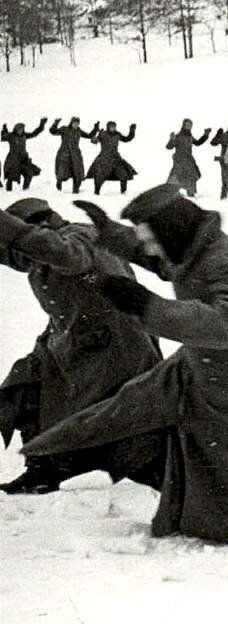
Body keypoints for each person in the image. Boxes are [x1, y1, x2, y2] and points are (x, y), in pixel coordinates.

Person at [26, 186, 228, 543]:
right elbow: (159, 258)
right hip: (213, 363)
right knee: (127, 406)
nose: (149, 246)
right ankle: (49, 448)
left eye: (151, 236)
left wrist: (146, 306)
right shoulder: (192, 248)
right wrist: (111, 234)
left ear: (171, 230)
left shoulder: (224, 261)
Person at [0, 198, 165, 495]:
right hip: (72, 340)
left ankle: (172, 477)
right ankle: (44, 469)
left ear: (39, 227)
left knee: (124, 427)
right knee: (27, 385)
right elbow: (22, 253)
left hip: (115, 348)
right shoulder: (45, 249)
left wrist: (11, 230)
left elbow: (68, 256)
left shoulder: (80, 237)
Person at [84, 121, 137, 195]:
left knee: (123, 174)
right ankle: (96, 192)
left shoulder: (118, 134)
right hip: (104, 159)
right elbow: (95, 141)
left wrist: (132, 131)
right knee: (99, 175)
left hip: (116, 159)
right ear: (108, 127)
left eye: (114, 126)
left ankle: (123, 192)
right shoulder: (103, 134)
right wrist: (95, 136)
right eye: (111, 126)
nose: (113, 128)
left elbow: (126, 139)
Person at [165, 119, 212, 197]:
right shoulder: (178, 136)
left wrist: (205, 135)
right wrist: (171, 139)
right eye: (187, 125)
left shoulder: (190, 137)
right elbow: (169, 147)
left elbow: (197, 143)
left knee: (192, 177)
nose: (189, 127)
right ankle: (171, 194)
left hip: (189, 160)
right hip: (179, 161)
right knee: (177, 176)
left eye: (190, 126)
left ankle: (191, 193)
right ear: (183, 126)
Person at [2, 118, 47, 191]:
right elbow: (3, 137)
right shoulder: (11, 136)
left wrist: (41, 125)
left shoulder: (24, 136)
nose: (20, 130)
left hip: (23, 159)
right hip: (13, 160)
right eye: (19, 129)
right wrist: (4, 130)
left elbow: (34, 133)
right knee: (11, 176)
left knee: (29, 173)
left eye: (22, 129)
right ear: (15, 129)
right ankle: (8, 191)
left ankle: (25, 189)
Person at [50, 117, 91, 194]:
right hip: (64, 154)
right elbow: (52, 131)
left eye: (77, 123)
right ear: (71, 123)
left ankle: (75, 190)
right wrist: (55, 123)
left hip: (76, 155)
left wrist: (95, 129)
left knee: (77, 172)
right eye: (74, 123)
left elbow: (89, 136)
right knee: (62, 172)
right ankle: (59, 183)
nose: (76, 125)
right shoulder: (64, 129)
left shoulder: (79, 131)